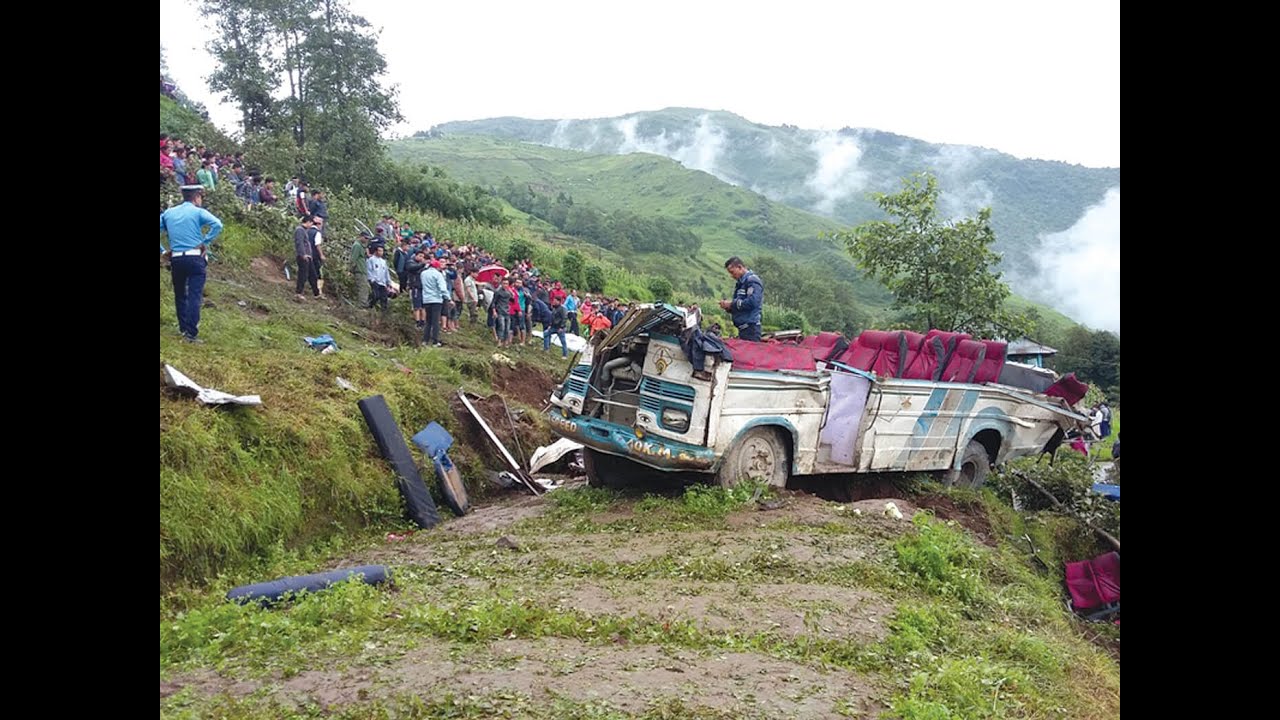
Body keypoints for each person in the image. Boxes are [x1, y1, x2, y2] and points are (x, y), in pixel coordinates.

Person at [160, 185, 223, 343]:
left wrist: (162, 251)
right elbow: (217, 224)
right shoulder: (198, 212)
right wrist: (205, 242)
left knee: (180, 294)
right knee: (195, 295)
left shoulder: (169, 213)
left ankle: (183, 328)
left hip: (176, 258)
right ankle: (191, 333)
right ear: (196, 197)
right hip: (195, 258)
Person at [719, 257, 763, 341]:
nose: (732, 276)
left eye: (732, 272)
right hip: (742, 328)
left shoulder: (752, 281)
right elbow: (741, 306)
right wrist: (729, 307)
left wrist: (732, 304)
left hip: (751, 328)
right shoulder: (740, 284)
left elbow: (753, 302)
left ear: (740, 267)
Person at [420, 259, 449, 347]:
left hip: (426, 299)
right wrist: (448, 298)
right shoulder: (438, 274)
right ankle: (435, 341)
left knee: (428, 321)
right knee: (436, 321)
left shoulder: (423, 274)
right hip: (436, 299)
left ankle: (425, 340)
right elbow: (442, 288)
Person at [294, 215, 319, 299]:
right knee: (303, 275)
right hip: (303, 256)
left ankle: (317, 293)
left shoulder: (304, 230)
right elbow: (299, 243)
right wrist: (303, 254)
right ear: (308, 222)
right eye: (311, 223)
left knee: (313, 275)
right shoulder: (300, 230)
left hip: (308, 256)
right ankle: (298, 293)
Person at [366, 243, 391, 311]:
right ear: (376, 251)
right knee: (375, 295)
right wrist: (371, 279)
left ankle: (383, 312)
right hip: (375, 281)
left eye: (382, 251)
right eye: (379, 251)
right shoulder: (371, 260)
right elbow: (369, 270)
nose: (381, 252)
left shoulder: (383, 261)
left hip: (382, 282)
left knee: (384, 298)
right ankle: (369, 306)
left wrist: (388, 282)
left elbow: (386, 272)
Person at [308, 216, 327, 297]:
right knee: (318, 274)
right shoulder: (317, 233)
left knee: (308, 273)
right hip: (315, 256)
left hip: (307, 254)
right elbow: (317, 245)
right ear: (319, 224)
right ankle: (318, 290)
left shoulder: (307, 231)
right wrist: (322, 255)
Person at [493, 279, 515, 347]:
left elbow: (512, 300)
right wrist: (494, 311)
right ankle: (499, 341)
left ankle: (505, 342)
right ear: (501, 284)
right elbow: (493, 302)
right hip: (500, 311)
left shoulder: (508, 292)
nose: (505, 285)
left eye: (506, 284)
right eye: (504, 283)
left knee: (507, 328)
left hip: (507, 311)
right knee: (501, 326)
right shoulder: (498, 292)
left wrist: (512, 294)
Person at [350, 233, 370, 303]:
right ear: (361, 237)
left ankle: (363, 303)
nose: (366, 240)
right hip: (359, 269)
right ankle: (362, 304)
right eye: (365, 238)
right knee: (362, 287)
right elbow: (353, 259)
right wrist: (350, 270)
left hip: (362, 269)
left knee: (365, 287)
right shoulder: (357, 246)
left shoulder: (362, 246)